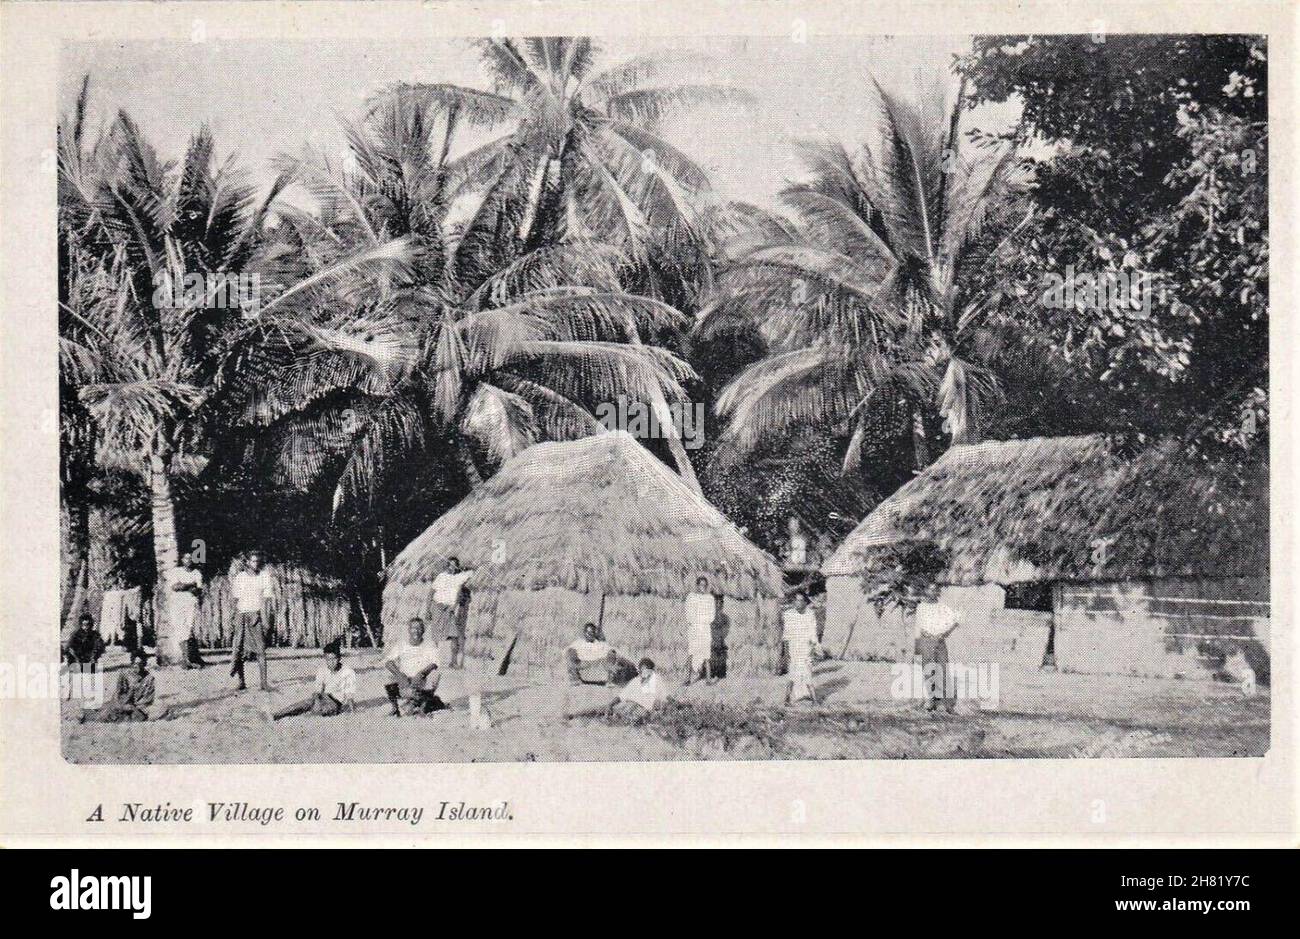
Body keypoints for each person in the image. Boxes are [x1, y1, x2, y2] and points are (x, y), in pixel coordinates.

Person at [272, 639, 356, 720]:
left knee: (323, 710)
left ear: (339, 658)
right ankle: (276, 715)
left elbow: (349, 694)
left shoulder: (348, 671)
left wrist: (352, 711)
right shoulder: (322, 670)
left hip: (335, 702)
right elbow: (317, 690)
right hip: (323, 697)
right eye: (328, 659)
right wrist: (316, 701)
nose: (331, 662)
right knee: (303, 704)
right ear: (325, 659)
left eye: (334, 658)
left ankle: (308, 714)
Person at [229, 552, 274, 691]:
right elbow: (235, 599)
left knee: (261, 650)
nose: (256, 563)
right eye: (253, 561)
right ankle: (241, 681)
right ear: (247, 562)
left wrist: (262, 617)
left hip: (256, 615)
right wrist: (232, 616)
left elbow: (266, 599)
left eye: (257, 561)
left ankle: (263, 683)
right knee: (239, 649)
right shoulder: (240, 577)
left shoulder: (264, 576)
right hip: (241, 615)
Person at [383, 618, 445, 716]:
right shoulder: (402, 644)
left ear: (423, 630)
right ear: (409, 630)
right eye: (413, 628)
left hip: (422, 680)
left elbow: (435, 663)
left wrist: (422, 673)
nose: (416, 631)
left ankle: (421, 705)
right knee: (388, 677)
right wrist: (399, 675)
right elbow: (388, 662)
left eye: (419, 628)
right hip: (405, 680)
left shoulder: (429, 644)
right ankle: (395, 708)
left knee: (435, 675)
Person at [913, 584, 960, 713]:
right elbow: (918, 628)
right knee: (928, 670)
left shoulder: (942, 607)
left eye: (935, 590)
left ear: (938, 592)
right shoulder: (921, 607)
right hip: (926, 641)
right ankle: (930, 700)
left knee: (942, 669)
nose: (932, 592)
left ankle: (944, 702)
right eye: (930, 589)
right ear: (926, 591)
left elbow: (956, 619)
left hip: (939, 641)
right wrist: (917, 649)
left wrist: (946, 632)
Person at [81, 650, 157, 723]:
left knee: (139, 717)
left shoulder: (149, 679)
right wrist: (124, 704)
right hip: (121, 704)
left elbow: (147, 700)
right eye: (135, 664)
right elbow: (119, 694)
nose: (138, 667)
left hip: (137, 709)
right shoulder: (125, 674)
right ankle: (89, 715)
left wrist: (135, 707)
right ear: (132, 663)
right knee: (103, 715)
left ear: (144, 664)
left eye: (140, 664)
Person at [430, 556, 473, 669]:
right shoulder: (441, 577)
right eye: (451, 565)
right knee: (436, 635)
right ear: (447, 566)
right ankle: (433, 661)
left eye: (455, 565)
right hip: (438, 607)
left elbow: (471, 572)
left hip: (449, 609)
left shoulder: (459, 578)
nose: (453, 567)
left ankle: (453, 662)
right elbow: (431, 593)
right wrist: (428, 610)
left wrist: (453, 607)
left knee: (454, 635)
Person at [165, 552, 205, 668]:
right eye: (186, 558)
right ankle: (185, 659)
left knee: (189, 629)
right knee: (180, 630)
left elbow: (198, 590)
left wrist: (184, 586)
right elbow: (175, 587)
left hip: (191, 604)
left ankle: (191, 659)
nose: (189, 560)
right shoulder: (176, 571)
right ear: (182, 560)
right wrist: (190, 585)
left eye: (191, 558)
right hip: (177, 604)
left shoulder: (196, 573)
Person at [565, 622, 636, 686]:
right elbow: (567, 650)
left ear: (594, 633)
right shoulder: (579, 643)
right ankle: (575, 679)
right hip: (583, 663)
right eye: (588, 632)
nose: (590, 634)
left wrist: (613, 653)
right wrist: (572, 653)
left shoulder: (599, 643)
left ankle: (610, 680)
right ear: (584, 632)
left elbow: (613, 650)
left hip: (599, 663)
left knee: (611, 654)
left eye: (592, 632)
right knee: (570, 652)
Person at [782, 592, 819, 704]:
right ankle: (787, 700)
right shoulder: (789, 614)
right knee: (793, 674)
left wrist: (812, 650)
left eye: (801, 600)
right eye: (796, 600)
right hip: (794, 648)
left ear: (805, 602)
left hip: (805, 648)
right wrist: (786, 652)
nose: (798, 603)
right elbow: (786, 635)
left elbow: (813, 634)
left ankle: (815, 700)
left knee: (807, 674)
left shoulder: (810, 614)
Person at [684, 577, 717, 685]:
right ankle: (687, 679)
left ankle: (708, 679)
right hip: (694, 629)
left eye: (704, 585)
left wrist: (703, 621)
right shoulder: (691, 597)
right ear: (697, 585)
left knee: (706, 654)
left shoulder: (709, 598)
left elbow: (711, 615)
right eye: (700, 585)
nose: (702, 587)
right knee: (691, 653)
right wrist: (696, 622)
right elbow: (688, 614)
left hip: (705, 630)